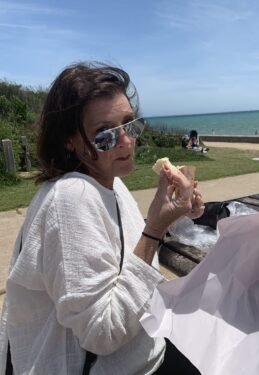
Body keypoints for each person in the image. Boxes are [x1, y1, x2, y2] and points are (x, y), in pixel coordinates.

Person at [0, 62, 205, 374]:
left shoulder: (110, 183)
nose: (126, 141)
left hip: (145, 347)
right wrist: (156, 227)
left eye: (130, 124)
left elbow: (124, 251)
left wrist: (179, 213)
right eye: (105, 135)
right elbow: (103, 333)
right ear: (70, 140)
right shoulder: (70, 199)